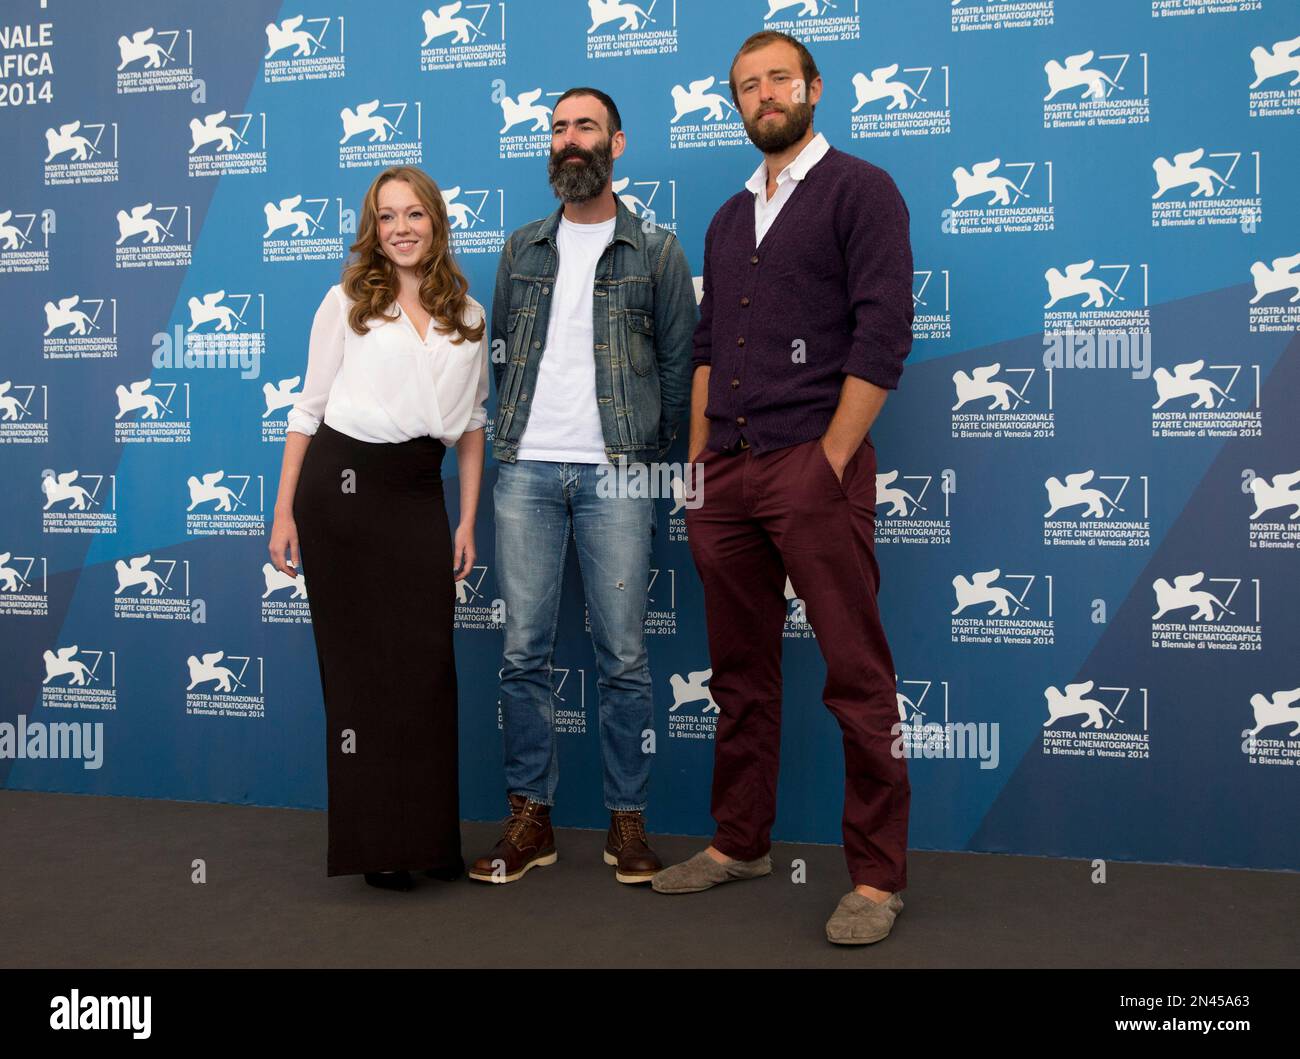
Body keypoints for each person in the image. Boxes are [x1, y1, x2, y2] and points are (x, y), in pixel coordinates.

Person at [650, 31, 916, 945]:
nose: (763, 94)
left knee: (855, 673)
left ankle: (878, 878)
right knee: (739, 674)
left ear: (812, 88)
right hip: (725, 470)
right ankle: (740, 842)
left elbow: (884, 331)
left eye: (778, 79)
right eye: (746, 86)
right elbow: (709, 348)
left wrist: (832, 458)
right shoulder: (729, 218)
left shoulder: (861, 190)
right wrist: (697, 464)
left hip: (813, 464)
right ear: (736, 104)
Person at [469, 87, 697, 886]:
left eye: (585, 126)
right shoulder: (520, 248)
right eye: (559, 128)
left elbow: (676, 373)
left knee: (626, 657)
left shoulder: (658, 252)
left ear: (617, 143)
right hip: (524, 471)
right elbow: (500, 356)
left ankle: (626, 820)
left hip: (620, 475)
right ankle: (531, 816)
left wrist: (638, 455)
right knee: (523, 651)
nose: (569, 140)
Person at [268, 165, 488, 892]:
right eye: (386, 215)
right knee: (362, 676)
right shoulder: (346, 304)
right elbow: (307, 409)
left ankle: (428, 841)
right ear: (374, 227)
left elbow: (474, 427)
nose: (400, 227)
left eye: (414, 213)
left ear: (436, 222)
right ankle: (378, 849)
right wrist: (282, 512)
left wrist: (466, 521)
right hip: (342, 491)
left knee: (425, 670)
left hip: (419, 493)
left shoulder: (472, 316)